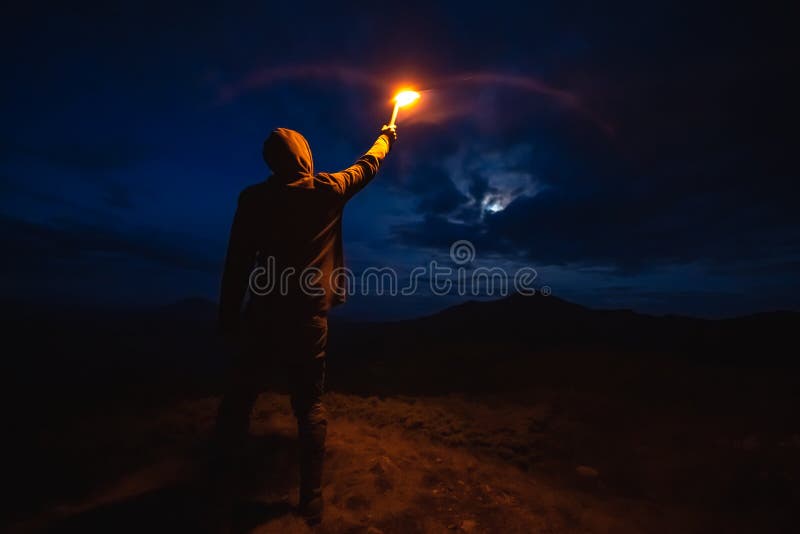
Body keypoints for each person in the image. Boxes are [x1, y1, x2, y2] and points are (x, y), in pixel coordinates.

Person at [213, 124, 397, 526]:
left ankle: (221, 483)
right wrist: (387, 136)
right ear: (303, 155)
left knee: (239, 399)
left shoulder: (254, 200)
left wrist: (228, 315)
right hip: (308, 317)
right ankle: (311, 500)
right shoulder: (327, 190)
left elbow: (238, 261)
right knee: (310, 405)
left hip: (262, 314)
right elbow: (368, 164)